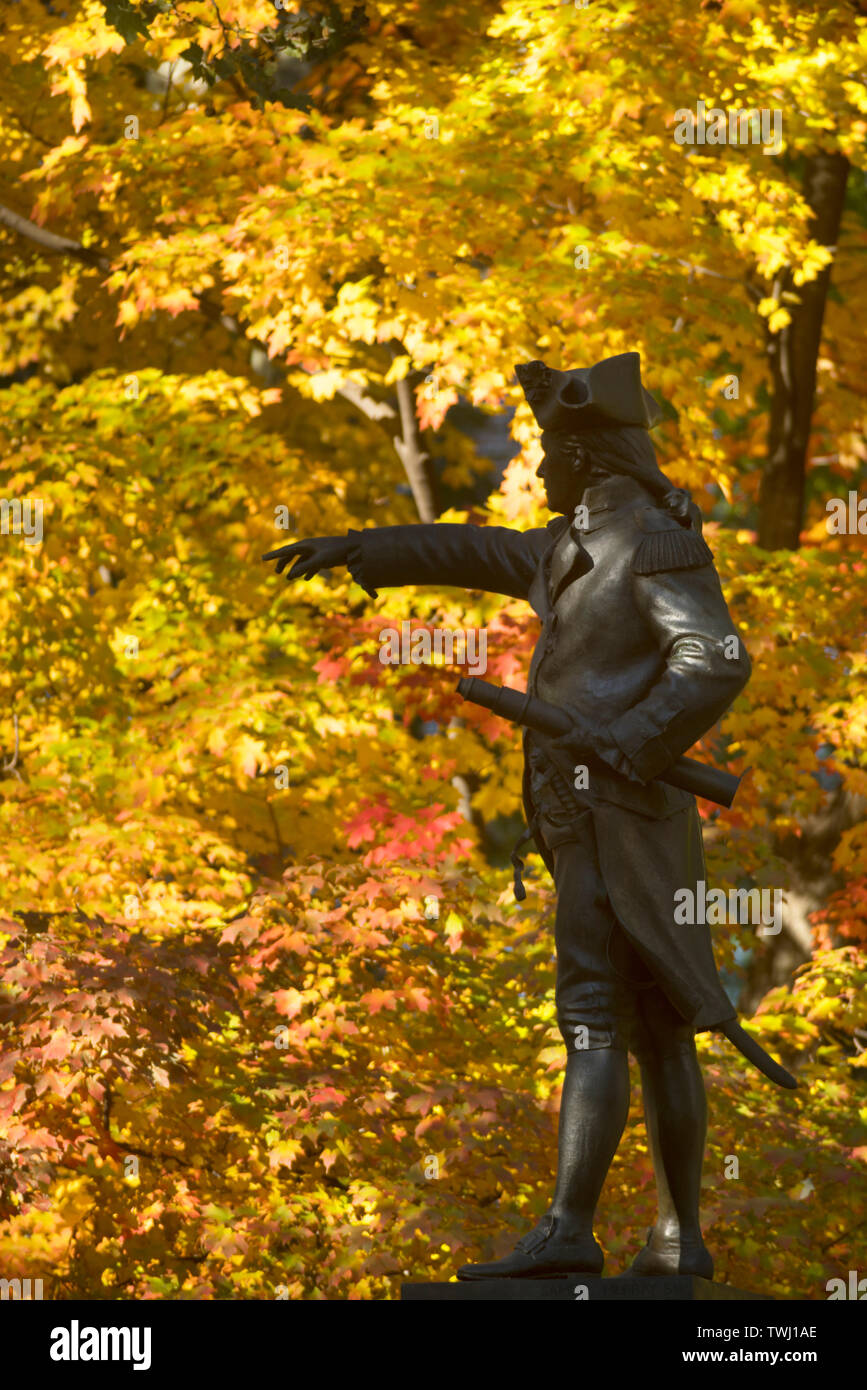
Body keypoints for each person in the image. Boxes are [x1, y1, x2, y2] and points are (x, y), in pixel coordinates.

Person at [263, 352, 781, 1282]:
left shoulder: (651, 543)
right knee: (652, 1019)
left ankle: (574, 1230)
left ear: (587, 461)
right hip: (587, 817)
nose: (539, 470)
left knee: (598, 1011)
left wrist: (631, 739)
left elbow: (714, 661)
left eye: (549, 454)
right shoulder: (569, 549)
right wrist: (360, 548)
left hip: (621, 814)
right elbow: (472, 550)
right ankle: (673, 1241)